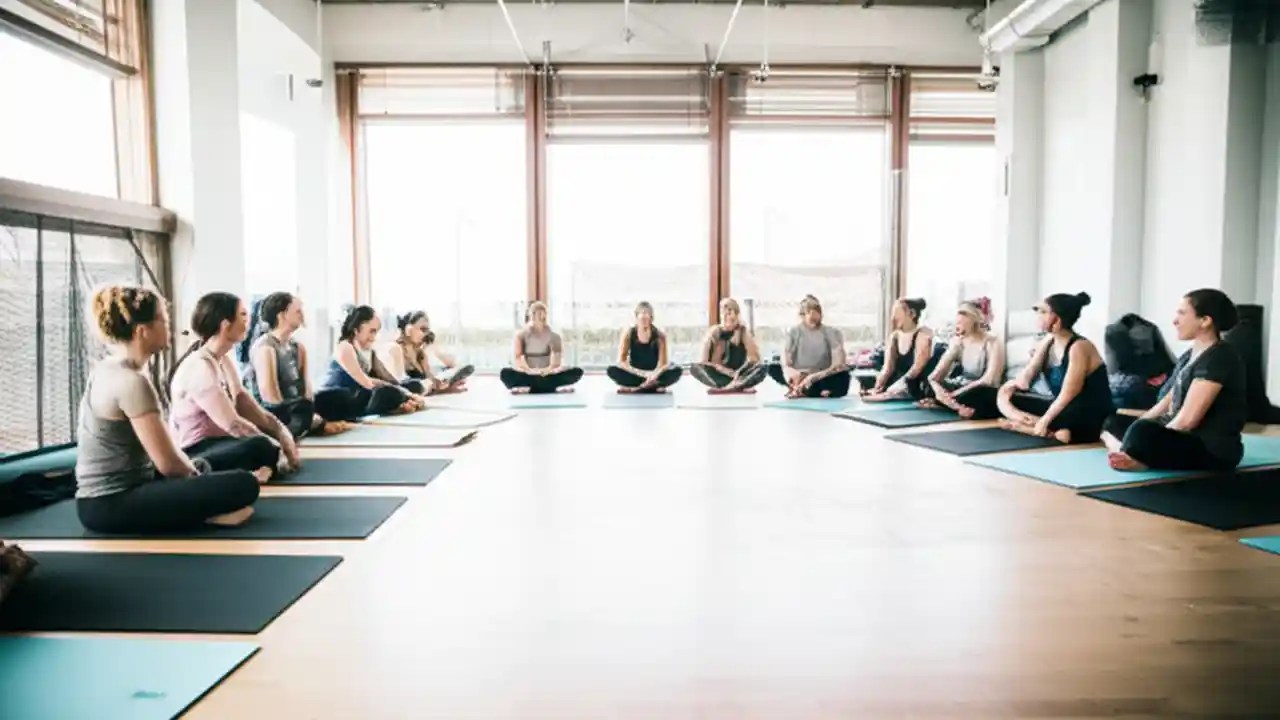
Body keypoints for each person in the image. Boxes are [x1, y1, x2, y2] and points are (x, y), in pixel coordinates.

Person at [75, 285, 259, 534]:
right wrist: (199, 480)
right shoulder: (131, 382)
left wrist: (198, 472)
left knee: (234, 458)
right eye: (163, 319)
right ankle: (203, 514)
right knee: (244, 484)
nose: (169, 327)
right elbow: (169, 465)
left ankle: (201, 508)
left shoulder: (110, 370)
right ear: (143, 331)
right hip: (110, 503)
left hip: (124, 491)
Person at [1103, 289, 1247, 472]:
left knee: (1143, 432)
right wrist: (1138, 426)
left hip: (1211, 450)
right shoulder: (1189, 356)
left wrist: (1147, 436)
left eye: (1182, 313)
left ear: (1205, 321)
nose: (1175, 321)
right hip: (1179, 436)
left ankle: (1131, 455)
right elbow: (1166, 401)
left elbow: (1187, 421)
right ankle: (1132, 455)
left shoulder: (1220, 357)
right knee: (1114, 422)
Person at [169, 292, 300, 477]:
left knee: (267, 441)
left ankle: (253, 471)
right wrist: (275, 445)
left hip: (221, 443)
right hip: (197, 449)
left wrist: (280, 431)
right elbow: (233, 424)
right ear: (225, 325)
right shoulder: (200, 367)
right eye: (243, 315)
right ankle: (203, 470)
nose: (248, 321)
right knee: (261, 446)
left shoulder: (222, 360)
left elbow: (243, 401)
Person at [997, 292, 1114, 443]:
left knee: (1066, 432)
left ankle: (1033, 427)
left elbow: (1068, 394)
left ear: (1057, 319)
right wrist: (1007, 389)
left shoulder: (1079, 347)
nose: (1038, 315)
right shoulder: (1048, 342)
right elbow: (1024, 380)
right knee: (1008, 396)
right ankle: (1042, 428)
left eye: (1044, 312)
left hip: (1086, 411)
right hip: (1060, 407)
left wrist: (1045, 420)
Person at [240, 292, 351, 439]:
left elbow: (306, 389)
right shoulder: (265, 348)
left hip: (298, 407)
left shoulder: (298, 347)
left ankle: (309, 423)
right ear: (282, 315)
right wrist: (308, 416)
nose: (302, 315)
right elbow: (271, 398)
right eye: (298, 311)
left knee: (337, 396)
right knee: (303, 408)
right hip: (275, 413)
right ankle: (302, 427)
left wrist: (311, 411)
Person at [316, 305, 428, 421]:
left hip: (358, 397)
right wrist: (407, 395)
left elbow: (390, 380)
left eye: (376, 332)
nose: (374, 337)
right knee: (387, 392)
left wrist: (408, 392)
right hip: (335, 400)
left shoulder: (370, 353)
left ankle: (399, 405)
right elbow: (366, 382)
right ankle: (396, 406)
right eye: (371, 331)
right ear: (356, 330)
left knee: (412, 385)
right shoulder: (345, 347)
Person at [920, 298, 1005, 419]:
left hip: (979, 388)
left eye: (960, 323)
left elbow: (990, 380)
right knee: (930, 386)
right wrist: (940, 392)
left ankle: (948, 405)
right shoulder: (958, 342)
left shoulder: (992, 341)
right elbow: (934, 377)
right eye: (957, 322)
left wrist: (955, 394)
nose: (957, 326)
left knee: (983, 395)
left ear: (973, 321)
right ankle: (957, 407)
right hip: (960, 386)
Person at [768, 295, 852, 398]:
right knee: (772, 367)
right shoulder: (794, 333)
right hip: (800, 377)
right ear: (802, 315)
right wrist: (794, 375)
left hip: (822, 377)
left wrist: (813, 377)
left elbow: (838, 365)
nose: (814, 318)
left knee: (843, 375)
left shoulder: (832, 332)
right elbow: (787, 364)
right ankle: (799, 389)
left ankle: (809, 390)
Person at [500, 301, 584, 394]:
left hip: (548, 374)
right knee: (506, 373)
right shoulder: (521, 335)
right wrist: (529, 371)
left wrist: (548, 370)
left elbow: (556, 358)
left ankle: (533, 386)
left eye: (542, 314)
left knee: (576, 371)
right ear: (530, 315)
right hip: (528, 374)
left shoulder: (554, 336)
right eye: (535, 313)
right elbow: (519, 356)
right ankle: (546, 386)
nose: (539, 317)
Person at [862, 298, 936, 402]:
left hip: (916, 385)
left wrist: (895, 389)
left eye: (897, 313)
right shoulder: (894, 337)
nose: (893, 318)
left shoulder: (923, 335)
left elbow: (916, 369)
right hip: (897, 385)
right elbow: (887, 368)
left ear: (912, 314)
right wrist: (878, 386)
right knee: (870, 395)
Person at [690, 298, 768, 393]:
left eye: (730, 313)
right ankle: (732, 386)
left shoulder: (743, 331)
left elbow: (754, 359)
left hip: (739, 377)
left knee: (763, 368)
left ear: (736, 314)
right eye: (724, 314)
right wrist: (725, 370)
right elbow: (703, 362)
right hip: (720, 375)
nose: (727, 317)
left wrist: (738, 372)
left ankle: (732, 386)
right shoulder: (714, 332)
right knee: (695, 368)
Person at [605, 301, 684, 393]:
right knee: (612, 369)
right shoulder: (628, 334)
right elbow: (622, 361)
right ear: (636, 318)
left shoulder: (660, 335)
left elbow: (663, 363)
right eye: (642, 317)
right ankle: (647, 386)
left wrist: (654, 375)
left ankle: (646, 386)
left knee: (676, 370)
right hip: (635, 374)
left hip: (654, 374)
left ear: (651, 319)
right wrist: (641, 373)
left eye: (647, 317)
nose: (644, 321)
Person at [393, 311, 474, 394]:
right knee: (418, 384)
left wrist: (447, 389)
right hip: (409, 392)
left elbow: (432, 382)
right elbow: (399, 384)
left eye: (428, 331)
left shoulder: (421, 355)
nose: (426, 334)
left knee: (450, 372)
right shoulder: (396, 349)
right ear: (408, 329)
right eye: (423, 329)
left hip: (421, 392)